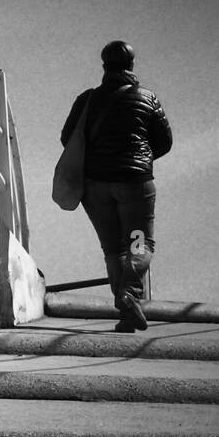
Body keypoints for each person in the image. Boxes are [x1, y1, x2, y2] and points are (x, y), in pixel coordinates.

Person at [59, 41, 173, 332]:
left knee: (113, 249)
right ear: (131, 65)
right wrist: (139, 158)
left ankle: (126, 315)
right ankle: (130, 294)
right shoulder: (147, 97)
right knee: (139, 243)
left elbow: (67, 139)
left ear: (104, 66)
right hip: (135, 185)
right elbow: (164, 142)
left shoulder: (87, 99)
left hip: (95, 187)